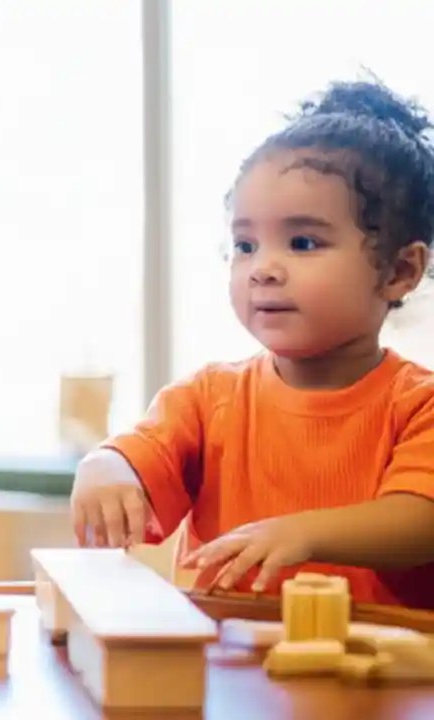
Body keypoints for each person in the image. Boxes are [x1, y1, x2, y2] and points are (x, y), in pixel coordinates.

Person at [70, 78, 434, 607]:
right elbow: (139, 455)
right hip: (231, 671)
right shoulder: (207, 397)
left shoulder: (419, 404)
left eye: (303, 242)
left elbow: (419, 520)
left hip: (387, 679)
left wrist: (300, 533)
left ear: (400, 271)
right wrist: (103, 466)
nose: (262, 269)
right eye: (245, 244)